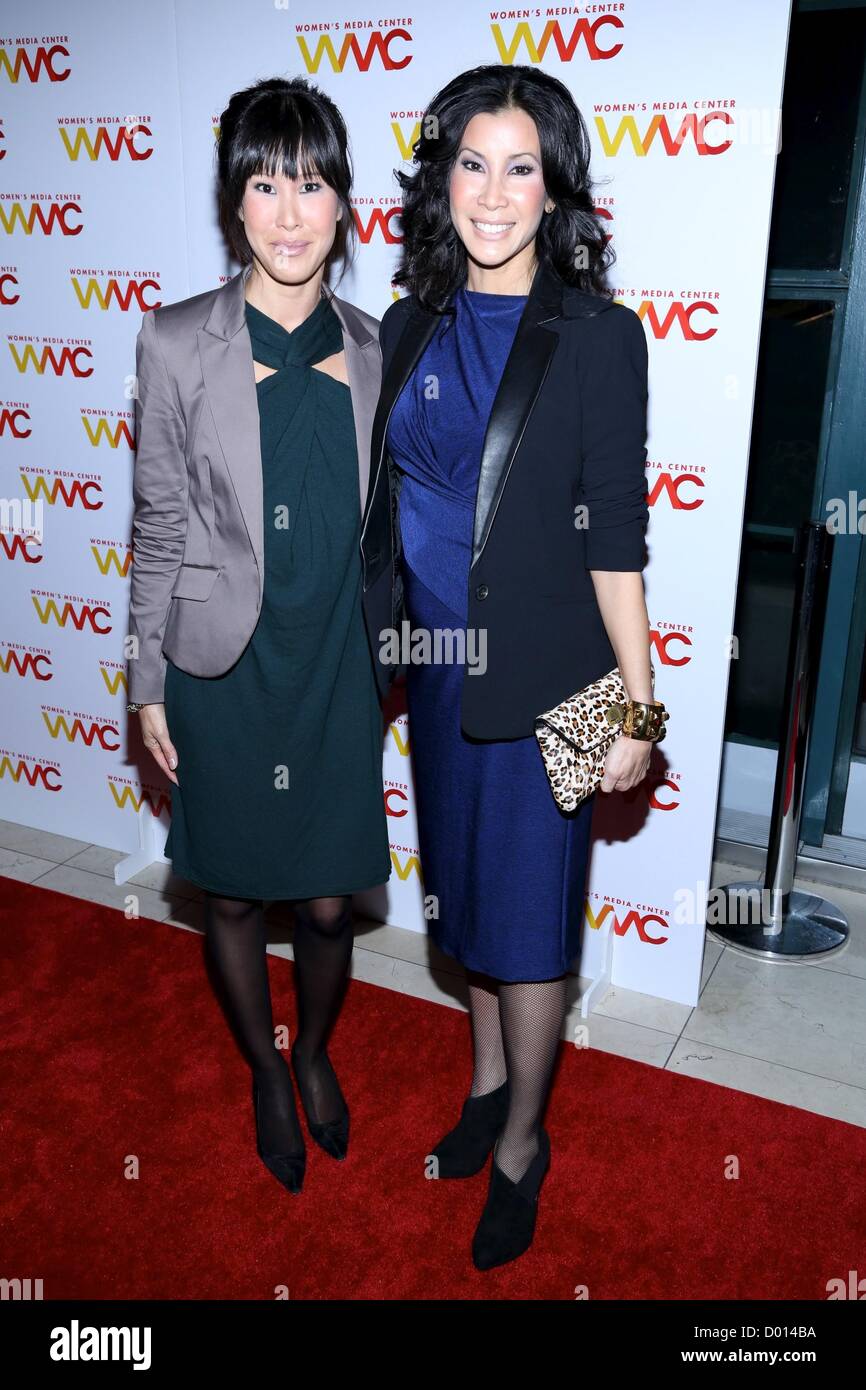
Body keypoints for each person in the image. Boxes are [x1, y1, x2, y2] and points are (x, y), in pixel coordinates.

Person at [361, 63, 666, 1268]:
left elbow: (616, 536)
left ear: (555, 188)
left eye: (520, 167)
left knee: (529, 927)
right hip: (440, 671)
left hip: (556, 684)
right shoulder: (407, 323)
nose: (492, 193)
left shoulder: (597, 336)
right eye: (471, 164)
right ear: (441, 179)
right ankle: (486, 1089)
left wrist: (636, 710)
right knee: (464, 908)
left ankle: (524, 1145)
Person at [126, 76, 390, 1196]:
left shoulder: (379, 347)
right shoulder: (177, 338)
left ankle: (314, 1050)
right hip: (222, 662)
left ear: (344, 202)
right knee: (232, 891)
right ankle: (266, 1073)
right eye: (265, 186)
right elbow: (157, 520)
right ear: (233, 201)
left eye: (312, 185)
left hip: (336, 663)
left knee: (328, 901)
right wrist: (145, 679)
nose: (290, 214)